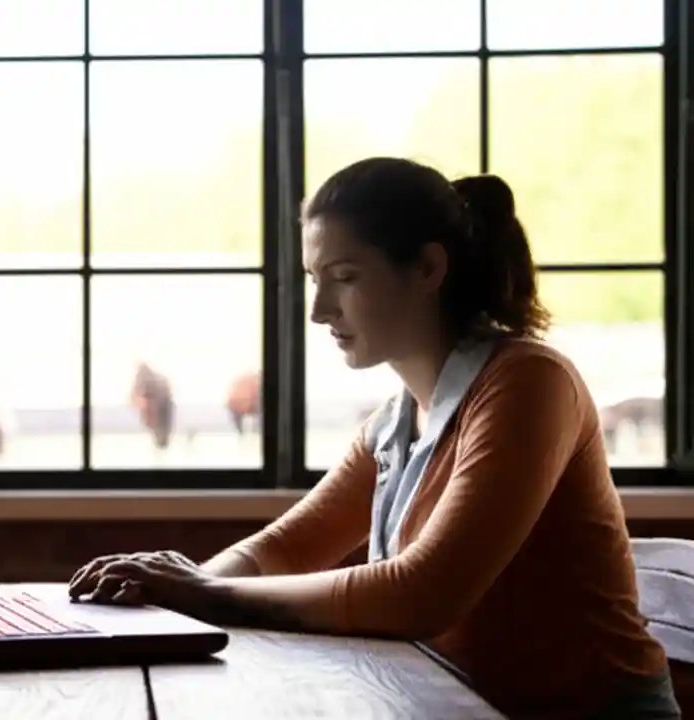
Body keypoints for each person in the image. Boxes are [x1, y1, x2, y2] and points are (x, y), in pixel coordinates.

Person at [67, 157, 680, 719]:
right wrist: (179, 596)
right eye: (314, 278)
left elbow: (420, 594)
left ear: (428, 268)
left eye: (346, 277)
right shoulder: (393, 422)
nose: (319, 310)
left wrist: (209, 595)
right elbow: (280, 550)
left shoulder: (528, 384)